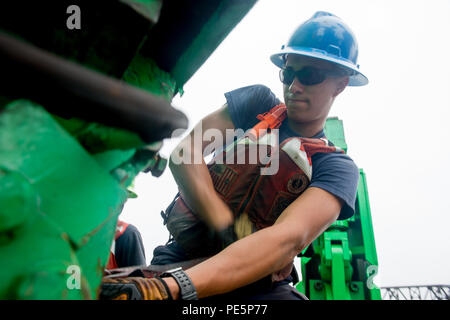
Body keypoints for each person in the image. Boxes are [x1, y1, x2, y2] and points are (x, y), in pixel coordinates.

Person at [100, 11, 368, 300]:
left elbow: (287, 239)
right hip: (181, 258)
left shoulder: (337, 169)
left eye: (310, 75)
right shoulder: (255, 104)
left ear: (341, 84)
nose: (294, 87)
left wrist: (172, 288)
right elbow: (185, 153)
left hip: (257, 287)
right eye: (288, 73)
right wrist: (222, 221)